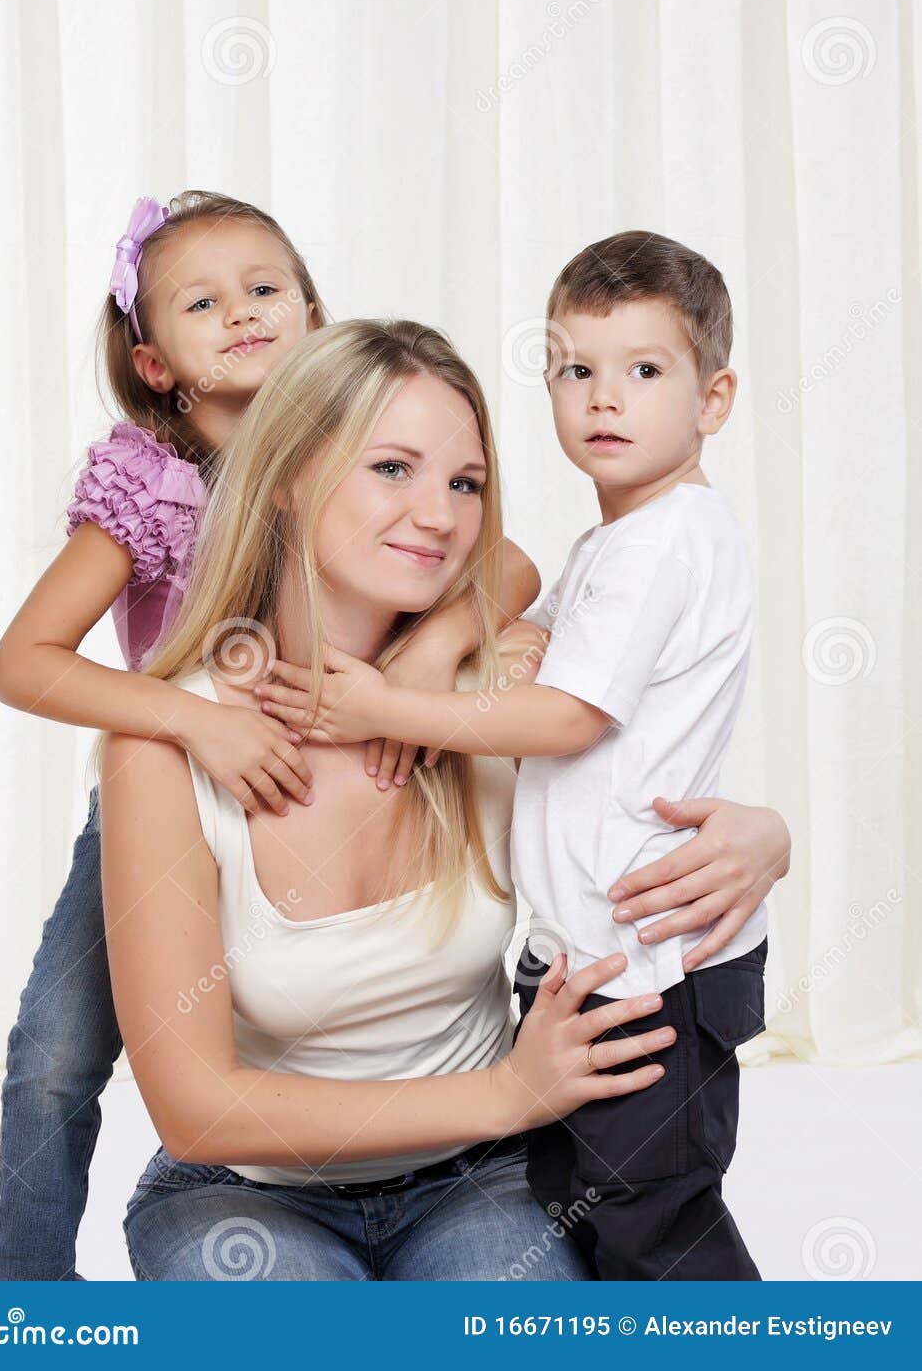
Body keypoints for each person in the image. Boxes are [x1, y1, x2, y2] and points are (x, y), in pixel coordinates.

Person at [101, 317, 789, 1281]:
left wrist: (764, 835)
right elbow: (198, 1108)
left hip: (482, 1180)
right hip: (245, 1189)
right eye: (392, 469)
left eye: (464, 483)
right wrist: (511, 1092)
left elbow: (639, 776)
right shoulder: (166, 741)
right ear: (290, 473)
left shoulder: (499, 689)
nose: (439, 516)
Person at [0, 195, 539, 1281]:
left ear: (311, 314)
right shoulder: (151, 484)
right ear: (154, 363)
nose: (242, 313)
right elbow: (23, 661)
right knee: (54, 1053)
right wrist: (188, 722)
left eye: (264, 289)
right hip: (178, 759)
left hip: (314, 740)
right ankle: (23, 1301)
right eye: (202, 302)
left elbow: (501, 566)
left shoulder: (388, 467)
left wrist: (423, 663)